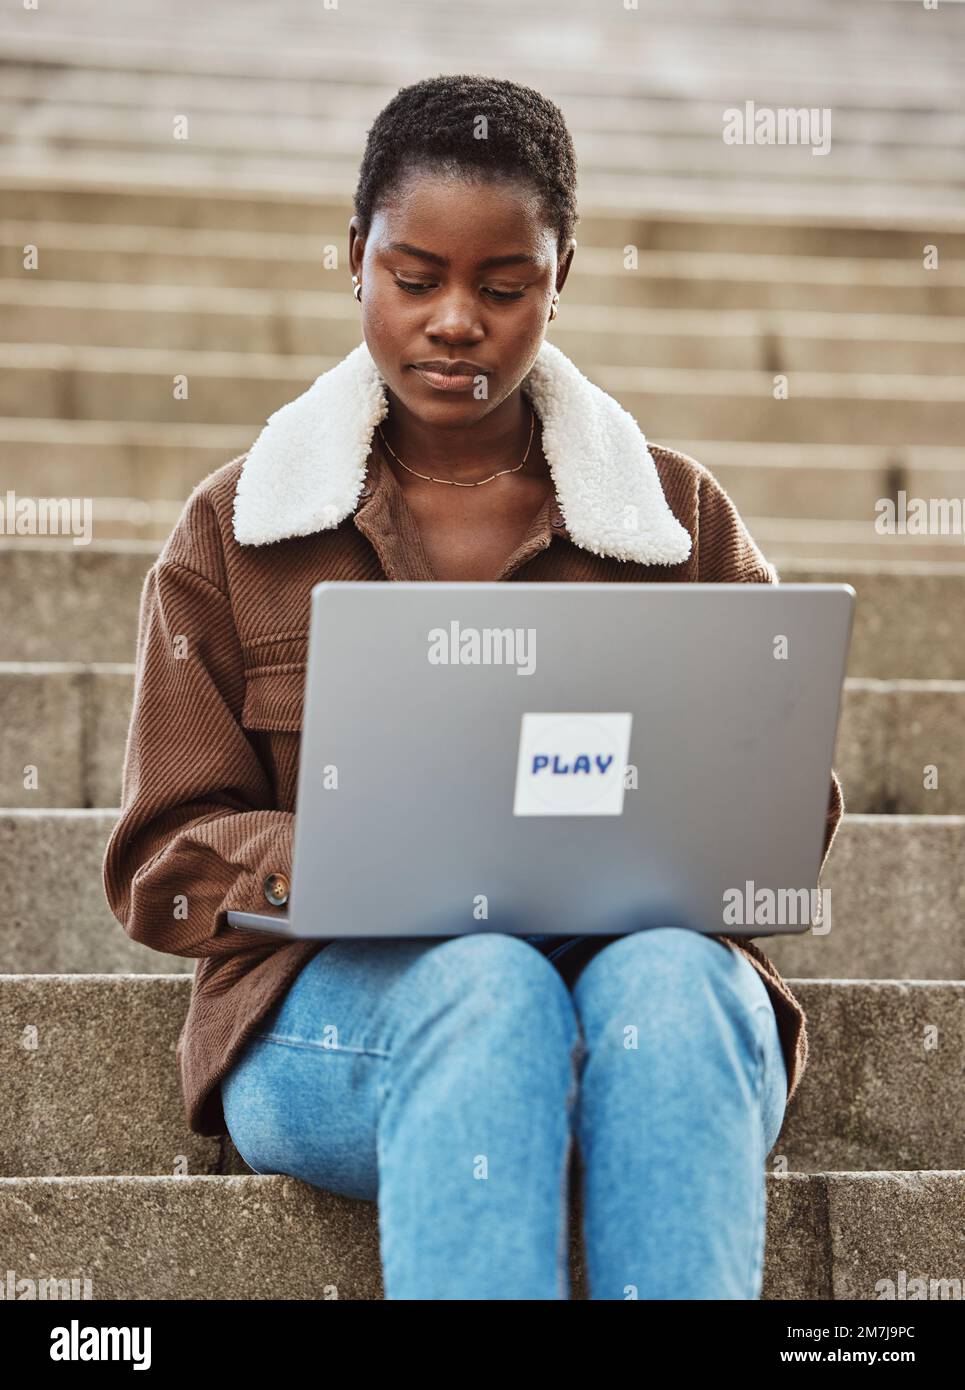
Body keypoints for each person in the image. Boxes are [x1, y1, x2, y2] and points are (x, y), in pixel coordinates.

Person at [103, 74, 843, 1300]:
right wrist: (368, 859)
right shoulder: (236, 533)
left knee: (670, 982)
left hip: (632, 998)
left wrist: (634, 848)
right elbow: (159, 862)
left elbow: (780, 816)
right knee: (490, 990)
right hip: (332, 1011)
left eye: (503, 288)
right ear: (353, 258)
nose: (457, 319)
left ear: (561, 280)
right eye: (415, 277)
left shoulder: (678, 520)